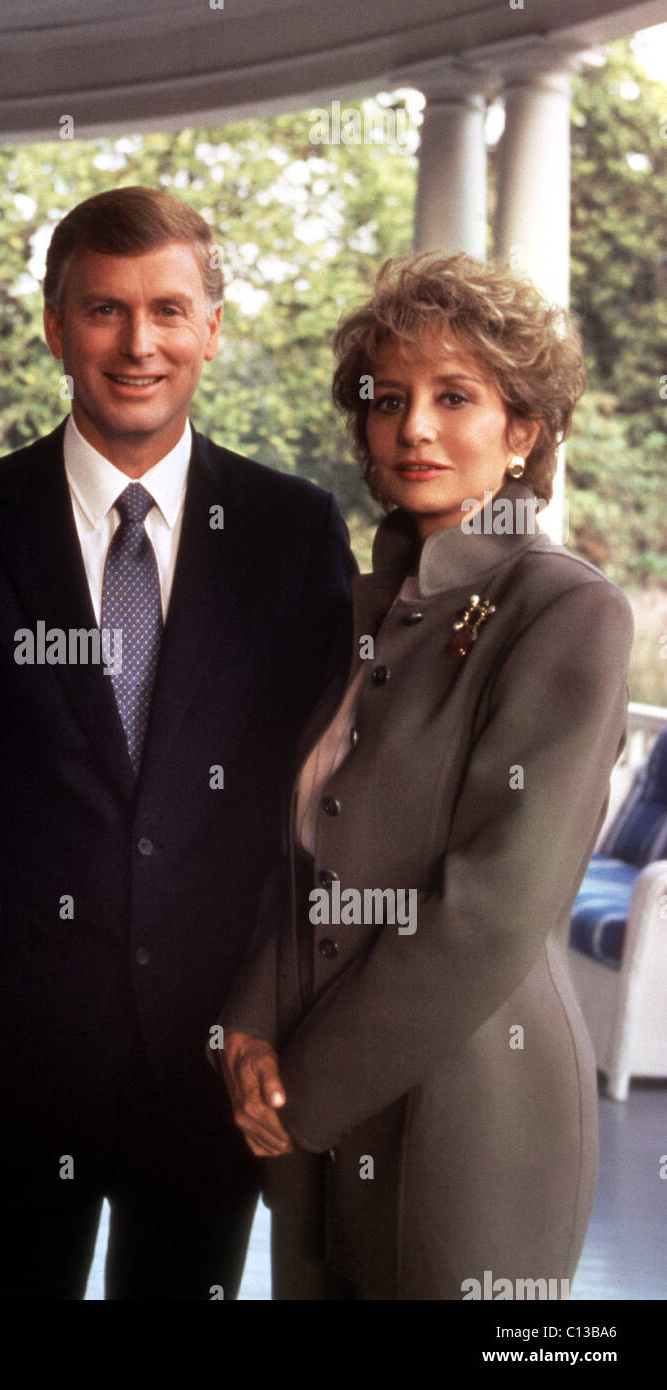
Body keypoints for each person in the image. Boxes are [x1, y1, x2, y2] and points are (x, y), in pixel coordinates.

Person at [0, 186, 353, 1299]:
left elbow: (324, 798)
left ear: (212, 325)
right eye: (103, 310)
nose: (137, 343)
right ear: (56, 329)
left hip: (213, 1057)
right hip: (4, 1056)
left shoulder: (295, 532)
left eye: (167, 309)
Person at [220, 252, 632, 1299]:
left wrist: (300, 1092)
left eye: (456, 397)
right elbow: (301, 855)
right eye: (388, 399)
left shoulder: (566, 610)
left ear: (523, 430)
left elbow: (492, 907)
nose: (414, 428)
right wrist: (251, 1029)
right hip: (311, 1107)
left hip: (470, 1106)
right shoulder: (370, 607)